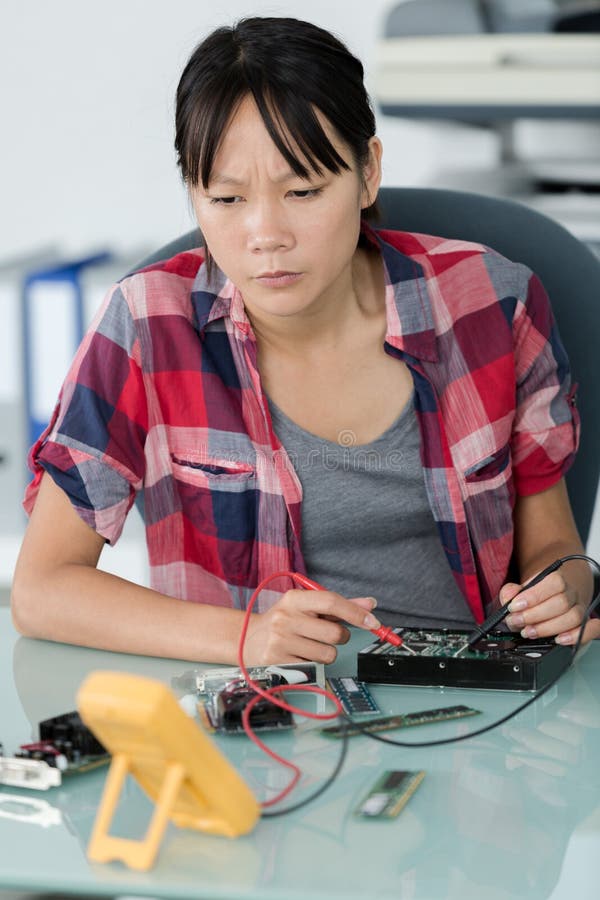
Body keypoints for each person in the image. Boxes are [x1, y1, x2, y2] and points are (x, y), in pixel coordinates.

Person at [11, 17, 597, 665]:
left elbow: (554, 552)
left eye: (304, 191)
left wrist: (564, 590)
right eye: (227, 199)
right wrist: (252, 636)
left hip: (470, 704)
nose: (266, 234)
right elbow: (42, 591)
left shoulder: (492, 299)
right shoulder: (147, 324)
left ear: (368, 173)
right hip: (261, 723)